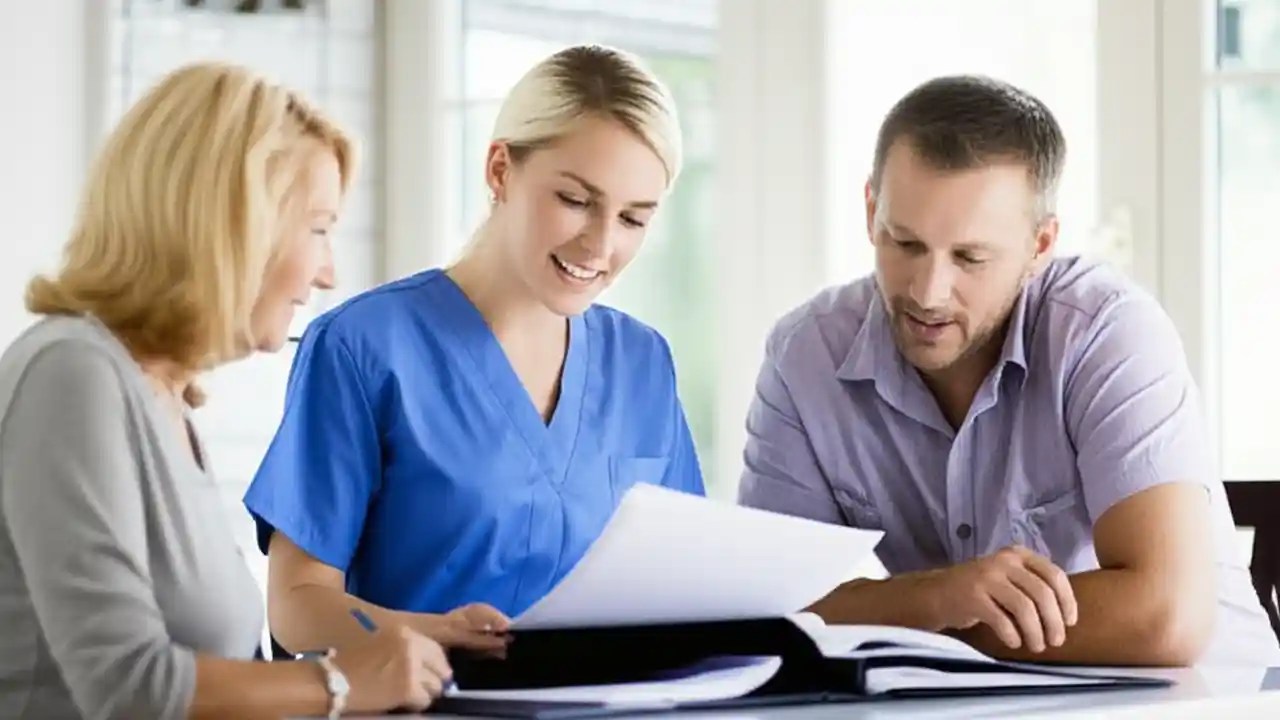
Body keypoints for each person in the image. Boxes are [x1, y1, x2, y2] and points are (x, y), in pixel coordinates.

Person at [739, 75, 1280, 666]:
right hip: (976, 700)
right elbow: (768, 611)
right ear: (872, 211)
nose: (927, 293)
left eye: (970, 257)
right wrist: (937, 596)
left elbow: (1164, 617)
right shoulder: (805, 356)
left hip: (1209, 695)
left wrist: (925, 629)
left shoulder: (1106, 332)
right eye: (905, 244)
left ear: (1040, 244)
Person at [0, 62, 455, 719]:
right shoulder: (70, 375)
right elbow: (130, 687)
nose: (328, 272)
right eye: (318, 228)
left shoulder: (168, 403)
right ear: (235, 222)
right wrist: (341, 684)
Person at [243, 44, 704, 656]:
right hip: (422, 696)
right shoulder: (365, 347)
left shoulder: (642, 363)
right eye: (575, 201)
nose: (600, 245)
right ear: (500, 170)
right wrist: (437, 637)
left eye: (633, 219)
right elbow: (297, 605)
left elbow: (687, 578)